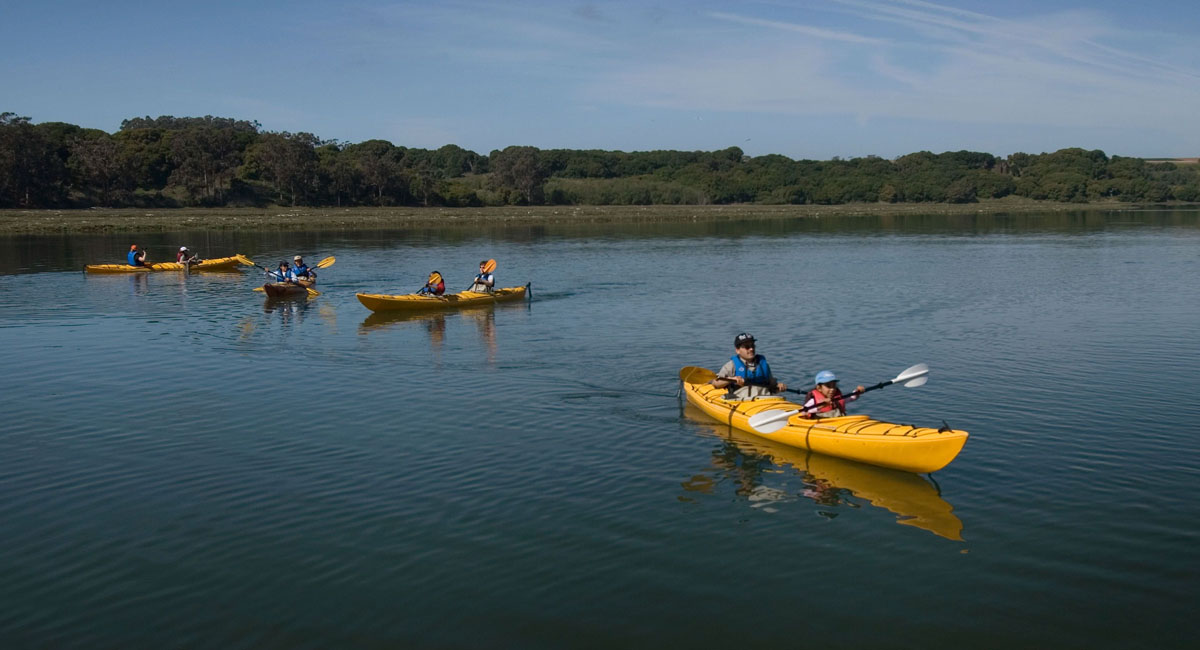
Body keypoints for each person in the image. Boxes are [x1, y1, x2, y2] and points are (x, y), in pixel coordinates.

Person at [710, 333, 788, 400]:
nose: (751, 349)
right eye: (747, 347)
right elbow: (716, 383)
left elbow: (772, 387)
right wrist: (731, 379)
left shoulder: (763, 365)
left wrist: (779, 387)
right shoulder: (731, 365)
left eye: (752, 346)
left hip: (765, 399)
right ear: (737, 350)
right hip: (742, 400)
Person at [801, 370, 865, 419]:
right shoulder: (814, 401)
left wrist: (857, 392)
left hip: (839, 424)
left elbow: (851, 398)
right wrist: (820, 406)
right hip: (822, 426)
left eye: (834, 385)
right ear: (819, 388)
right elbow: (803, 411)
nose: (832, 389)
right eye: (828, 386)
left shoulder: (837, 398)